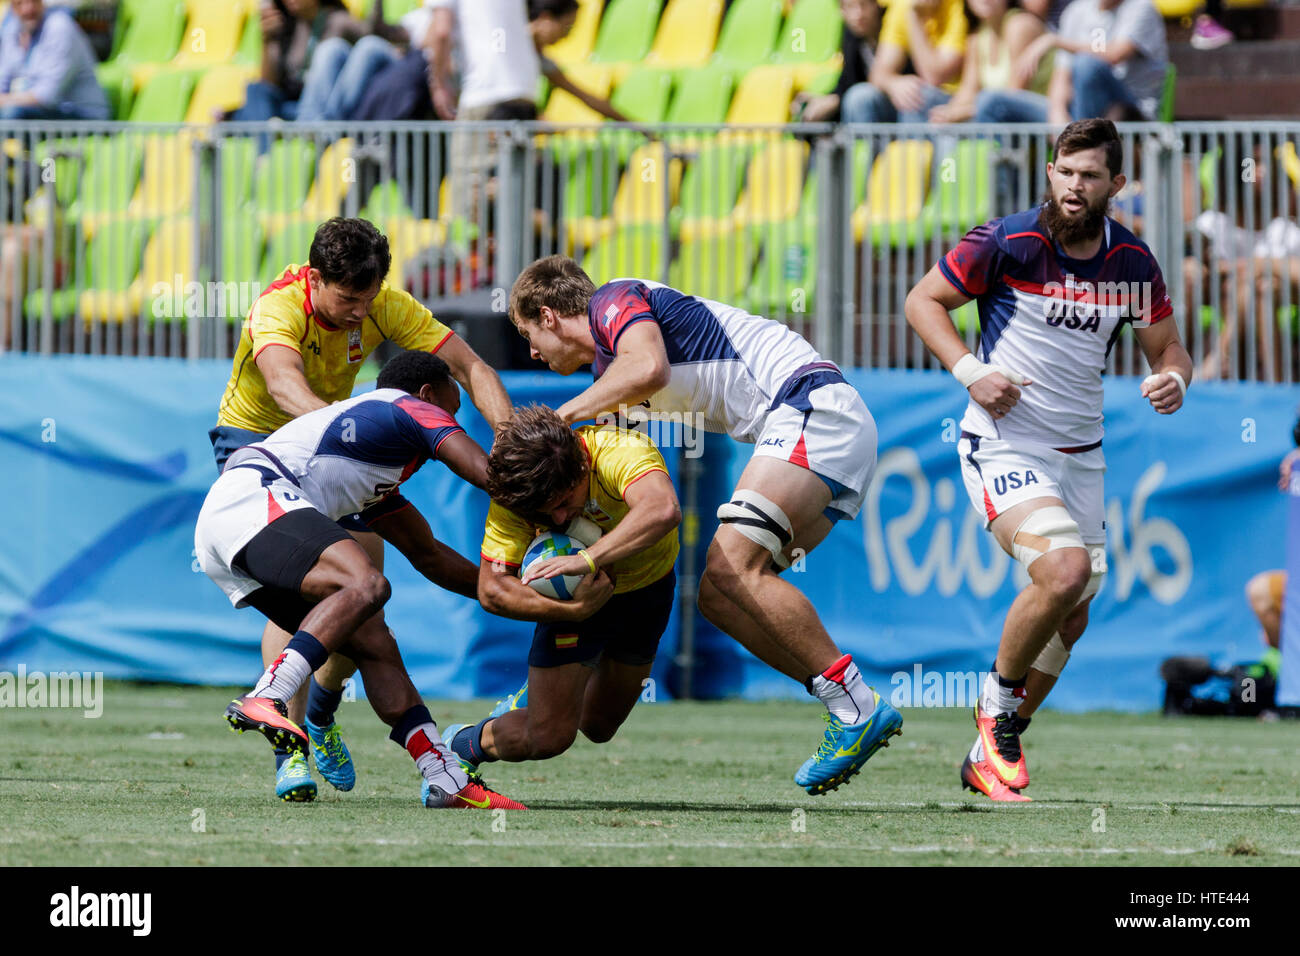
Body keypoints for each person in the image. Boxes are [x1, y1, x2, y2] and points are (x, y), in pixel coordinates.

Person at [506, 256, 902, 796]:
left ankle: (856, 703)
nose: (530, 352)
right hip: (815, 427)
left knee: (729, 565)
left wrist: (560, 416)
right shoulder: (606, 377)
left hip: (810, 408)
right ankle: (846, 705)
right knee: (719, 594)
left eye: (528, 334)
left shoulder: (612, 301)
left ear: (549, 315)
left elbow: (650, 368)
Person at [903, 119, 1193, 801]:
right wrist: (971, 370)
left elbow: (1168, 349)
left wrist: (1175, 380)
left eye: (1090, 175)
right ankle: (996, 711)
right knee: (1062, 571)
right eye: (1065, 171)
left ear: (1115, 185)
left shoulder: (1132, 264)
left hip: (1081, 458)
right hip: (1002, 444)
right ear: (1049, 172)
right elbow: (923, 302)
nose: (1074, 185)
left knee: (1073, 611)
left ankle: (988, 753)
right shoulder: (1007, 242)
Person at [211, 217, 512, 802]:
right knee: (316, 588)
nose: (360, 311)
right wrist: (338, 431)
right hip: (258, 450)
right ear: (315, 278)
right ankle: (289, 747)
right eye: (349, 298)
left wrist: (510, 441)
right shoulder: (278, 309)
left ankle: (320, 714)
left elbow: (473, 368)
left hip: (338, 461)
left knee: (361, 600)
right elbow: (282, 387)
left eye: (369, 298)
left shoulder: (384, 304)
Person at [441, 405, 681, 781]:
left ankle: (540, 696)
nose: (557, 521)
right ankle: (462, 744)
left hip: (648, 590)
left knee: (600, 726)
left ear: (582, 469)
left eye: (564, 504)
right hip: (571, 604)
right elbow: (491, 591)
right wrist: (574, 612)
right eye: (544, 513)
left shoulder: (619, 450)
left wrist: (586, 559)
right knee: (548, 736)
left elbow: (663, 509)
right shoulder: (519, 493)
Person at [974, 0, 1168, 124]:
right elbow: (1061, 74)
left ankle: (1083, 148)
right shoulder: (1076, 10)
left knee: (1086, 65)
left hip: (1131, 114)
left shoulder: (1141, 7)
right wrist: (1056, 113)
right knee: (991, 101)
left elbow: (1113, 54)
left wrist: (1054, 40)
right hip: (1074, 113)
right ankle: (1002, 188)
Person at [235, 0, 408, 123]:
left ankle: (311, 125)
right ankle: (263, 156)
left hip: (326, 105)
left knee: (330, 49)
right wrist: (268, 40)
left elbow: (373, 39)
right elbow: (271, 85)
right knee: (256, 90)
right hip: (294, 103)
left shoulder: (339, 21)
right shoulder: (286, 25)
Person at [841, 0, 967, 124]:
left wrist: (916, 18)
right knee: (860, 96)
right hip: (919, 103)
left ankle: (910, 145)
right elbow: (877, 74)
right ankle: (864, 145)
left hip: (957, 103)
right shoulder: (903, 6)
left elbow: (935, 77)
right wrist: (894, 83)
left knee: (918, 96)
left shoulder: (957, 6)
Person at [927, 0, 1049, 124]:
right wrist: (946, 113)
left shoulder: (1020, 25)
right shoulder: (976, 38)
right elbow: (968, 92)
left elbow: (1013, 94)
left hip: (1048, 117)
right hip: (1001, 119)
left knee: (990, 99)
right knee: (926, 101)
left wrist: (961, 113)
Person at [0, 0, 109, 120]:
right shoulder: (12, 30)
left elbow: (46, 97)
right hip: (44, 112)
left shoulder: (60, 27)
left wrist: (5, 100)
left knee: (12, 114)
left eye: (33, 1)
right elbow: (3, 80)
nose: (28, 9)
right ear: (12, 7)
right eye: (19, 3)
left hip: (84, 116)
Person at [792, 0, 882, 123]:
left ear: (876, 5)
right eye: (850, 7)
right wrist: (827, 98)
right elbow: (849, 79)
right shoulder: (851, 36)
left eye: (864, 5)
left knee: (860, 98)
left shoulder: (894, 28)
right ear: (842, 11)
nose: (858, 14)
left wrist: (836, 99)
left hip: (902, 107)